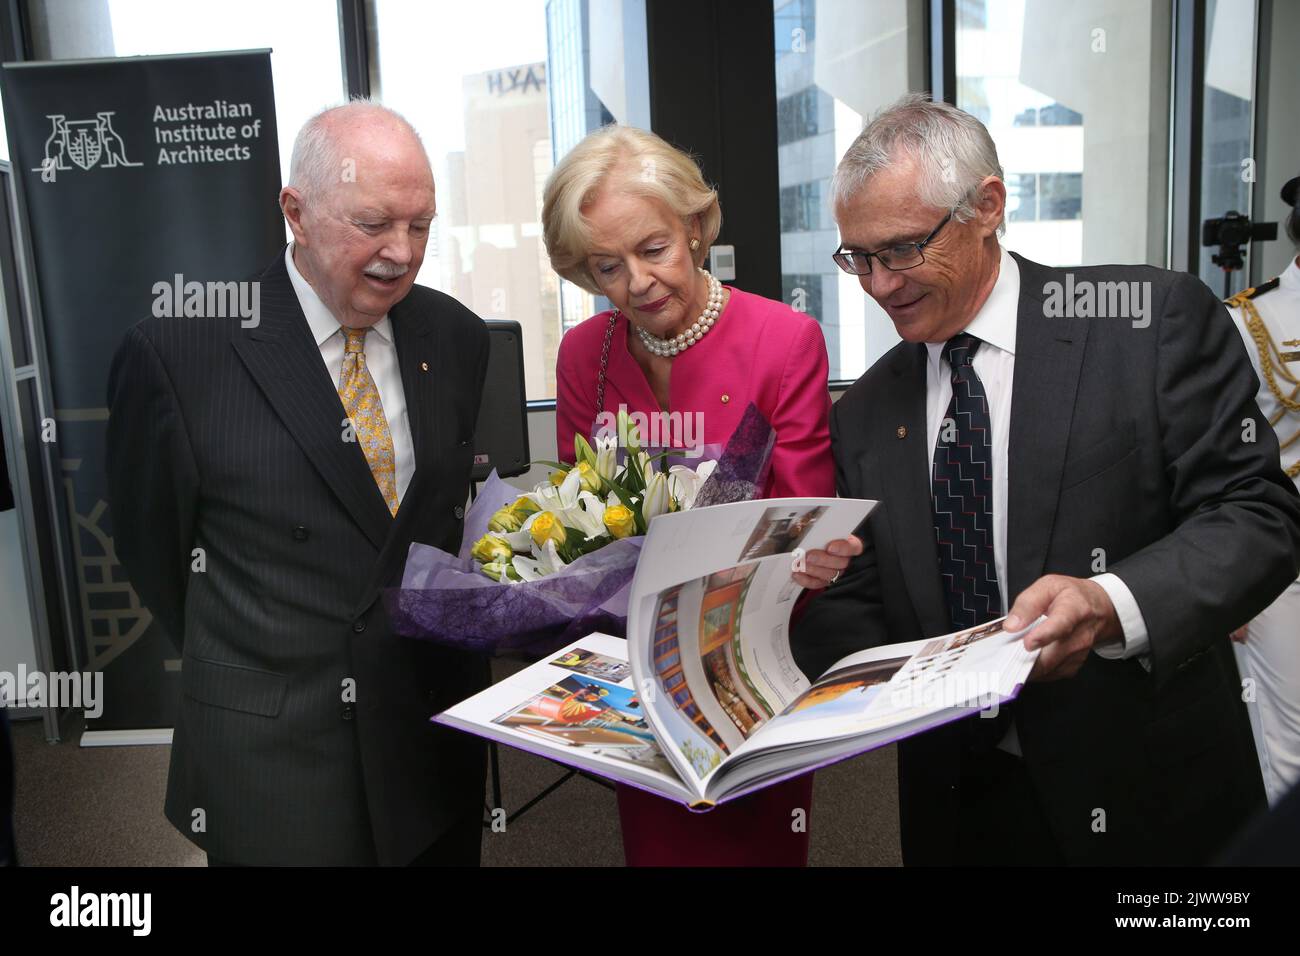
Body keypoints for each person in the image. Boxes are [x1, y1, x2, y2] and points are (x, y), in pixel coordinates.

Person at [793, 94, 1300, 865]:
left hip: (1146, 787)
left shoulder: (1148, 323)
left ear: (987, 206)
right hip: (960, 800)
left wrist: (1108, 603)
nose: (879, 286)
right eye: (856, 259)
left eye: (900, 250)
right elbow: (861, 606)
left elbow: (1258, 514)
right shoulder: (865, 408)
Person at [106, 101, 491, 866]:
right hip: (274, 756)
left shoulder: (455, 336)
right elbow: (154, 551)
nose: (401, 252)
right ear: (296, 211)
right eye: (374, 223)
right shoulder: (181, 352)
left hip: (428, 736)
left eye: (420, 225)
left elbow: (439, 521)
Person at [543, 125, 833, 865]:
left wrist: (713, 643)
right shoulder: (584, 353)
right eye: (608, 266)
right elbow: (578, 522)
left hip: (749, 668)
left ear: (696, 230)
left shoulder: (785, 340)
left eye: (654, 250)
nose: (637, 283)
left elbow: (800, 523)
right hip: (635, 674)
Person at [1223, 173, 1300, 807]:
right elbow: (1209, 457)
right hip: (1285, 560)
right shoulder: (1251, 317)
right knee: (1289, 742)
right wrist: (1230, 583)